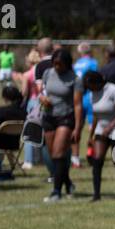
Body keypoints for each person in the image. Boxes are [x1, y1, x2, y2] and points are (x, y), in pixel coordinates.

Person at [40, 47, 82, 201]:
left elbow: (78, 105)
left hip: (66, 117)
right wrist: (42, 98)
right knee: (54, 156)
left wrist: (77, 127)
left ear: (67, 64)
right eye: (55, 63)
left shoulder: (75, 79)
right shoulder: (47, 73)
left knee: (58, 153)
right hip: (48, 116)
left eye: (60, 64)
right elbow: (42, 91)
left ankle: (56, 192)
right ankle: (68, 183)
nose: (57, 67)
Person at [80, 69, 115, 200]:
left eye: (91, 86)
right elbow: (96, 115)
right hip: (101, 129)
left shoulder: (113, 90)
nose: (90, 89)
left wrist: (110, 126)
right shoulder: (92, 94)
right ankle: (96, 194)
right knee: (97, 161)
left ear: (97, 82)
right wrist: (91, 136)